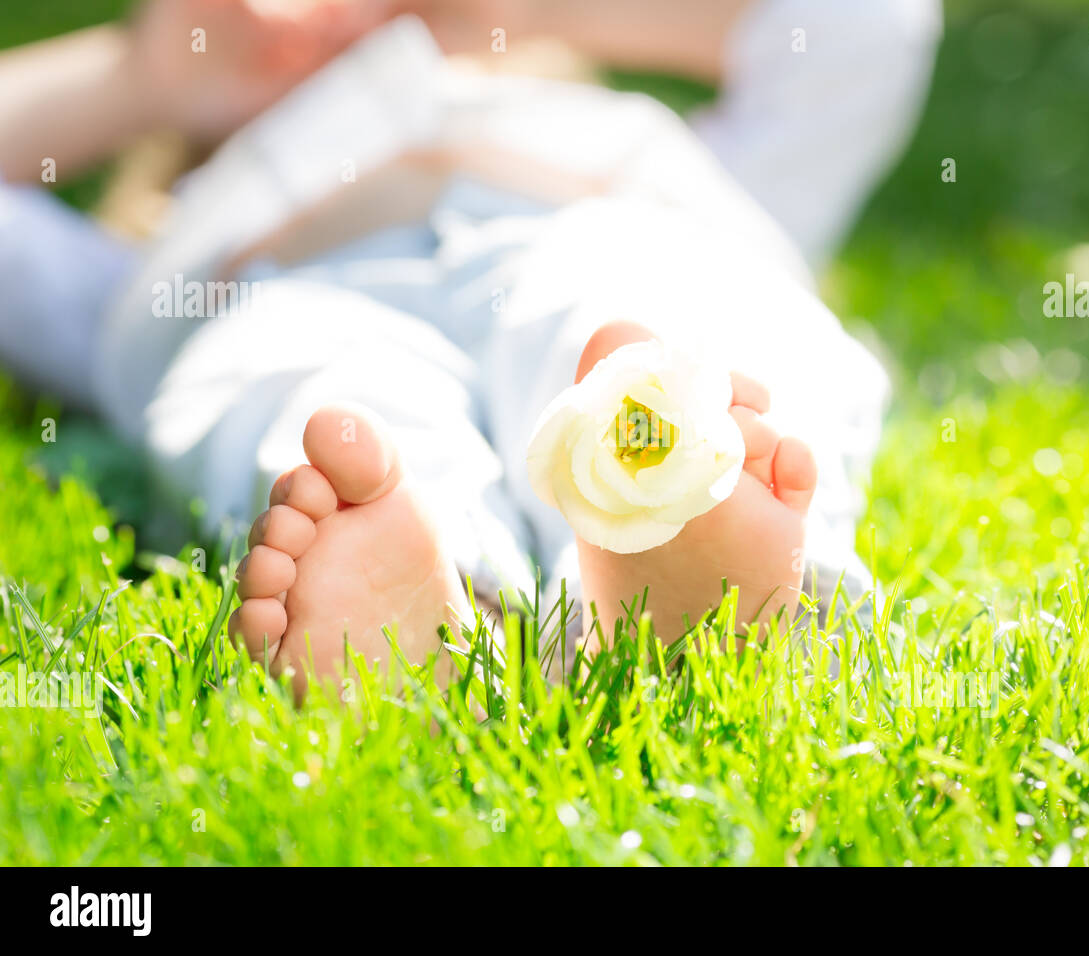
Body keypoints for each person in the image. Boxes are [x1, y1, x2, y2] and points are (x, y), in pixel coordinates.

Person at [0, 1, 940, 691]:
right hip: (290, 282)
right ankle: (443, 611)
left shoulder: (644, 159)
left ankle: (669, 532)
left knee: (645, 346)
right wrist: (153, 72)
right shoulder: (160, 265)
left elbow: (868, 26)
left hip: (598, 222)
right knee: (324, 406)